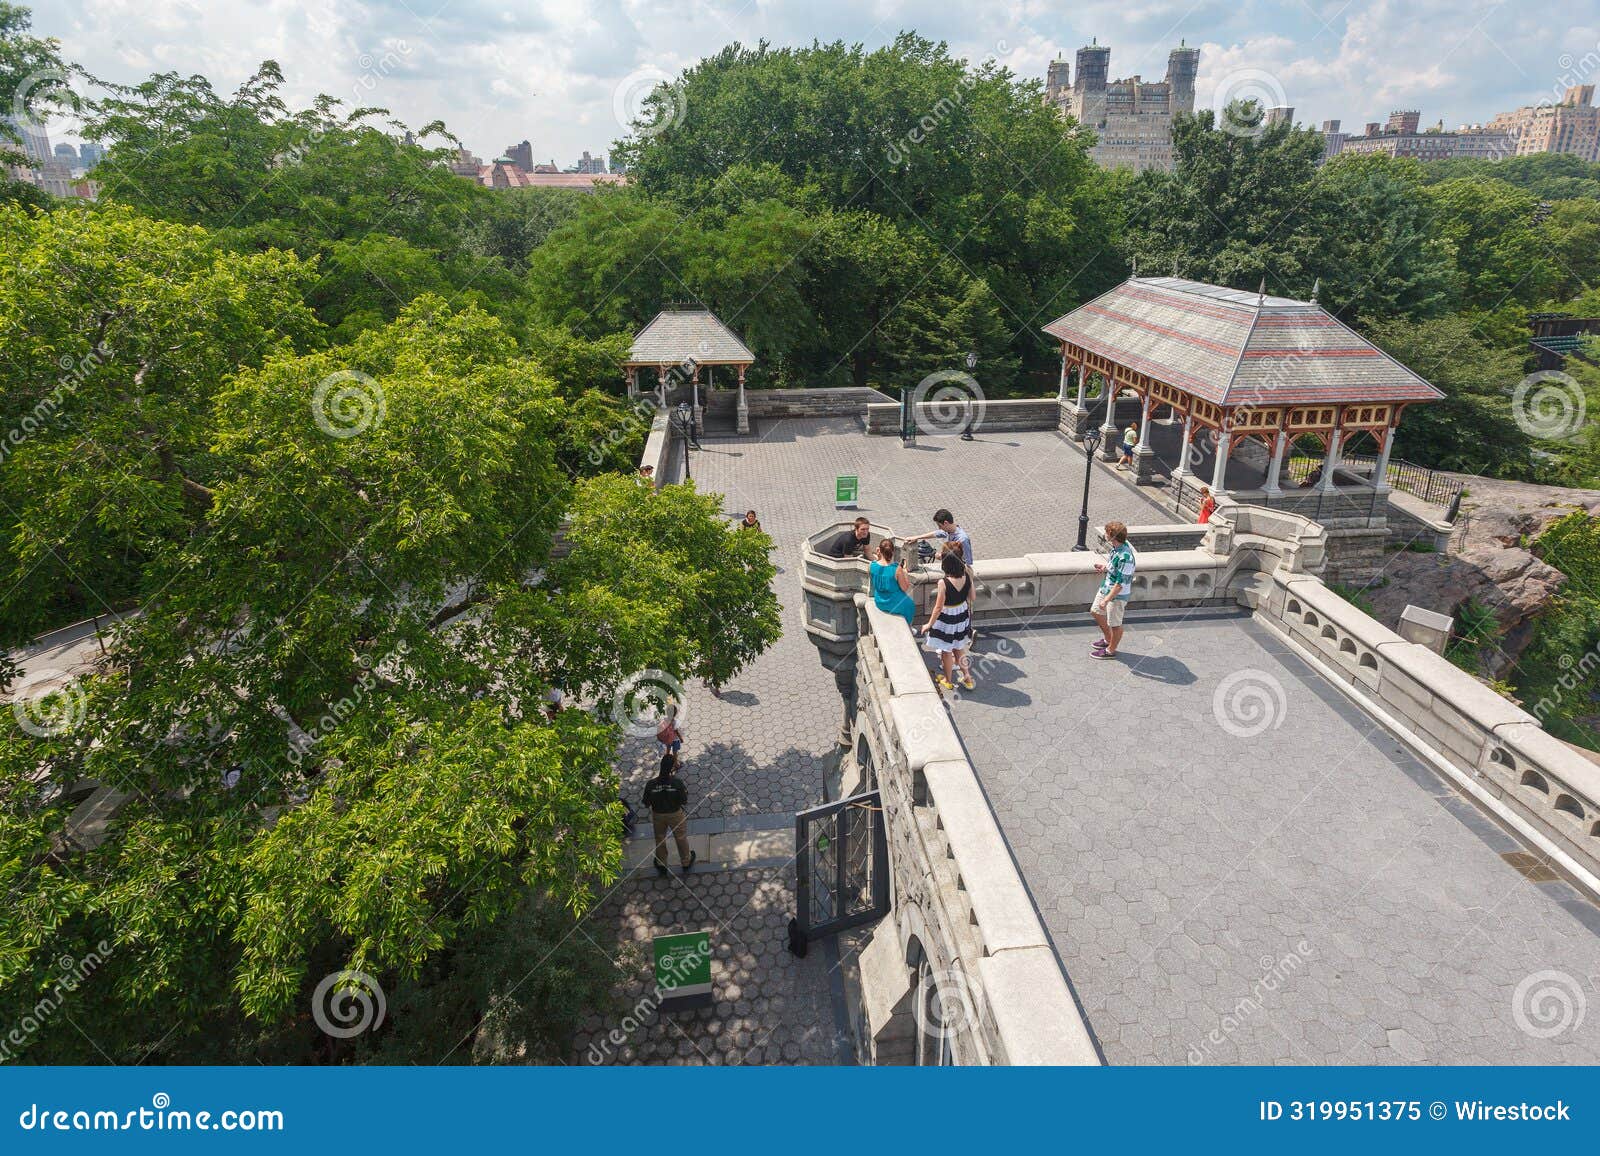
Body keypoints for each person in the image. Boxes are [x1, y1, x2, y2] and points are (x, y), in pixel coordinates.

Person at [919, 552, 976, 692]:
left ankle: (948, 681)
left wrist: (929, 624)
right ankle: (968, 678)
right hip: (961, 613)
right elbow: (972, 597)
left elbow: (938, 607)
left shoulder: (943, 583)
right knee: (959, 647)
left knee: (946, 650)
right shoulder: (966, 576)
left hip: (948, 617)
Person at [642, 754, 696, 875]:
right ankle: (686, 862)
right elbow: (684, 801)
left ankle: (662, 863)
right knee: (681, 837)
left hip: (658, 815)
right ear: (672, 768)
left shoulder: (651, 784)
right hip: (675, 814)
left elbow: (646, 803)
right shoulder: (677, 783)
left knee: (660, 838)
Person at [1091, 521, 1136, 659]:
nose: (1104, 534)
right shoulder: (1116, 548)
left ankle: (1111, 650)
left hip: (1117, 595)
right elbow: (1114, 566)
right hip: (1107, 587)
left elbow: (1120, 584)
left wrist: (1106, 599)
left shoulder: (1125, 557)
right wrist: (1105, 568)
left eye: (1106, 532)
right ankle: (1108, 639)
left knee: (1115, 624)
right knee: (1095, 611)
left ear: (1112, 536)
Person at [869, 539, 916, 625]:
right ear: (893, 552)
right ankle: (909, 627)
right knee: (911, 605)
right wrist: (905, 571)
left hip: (879, 601)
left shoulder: (871, 565)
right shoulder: (896, 569)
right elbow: (905, 588)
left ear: (879, 550)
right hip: (893, 602)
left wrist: (878, 554)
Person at [907, 509, 973, 566]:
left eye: (940, 526)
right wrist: (917, 537)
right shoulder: (949, 531)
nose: (939, 528)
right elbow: (936, 533)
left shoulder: (962, 539)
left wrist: (933, 554)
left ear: (946, 523)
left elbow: (968, 563)